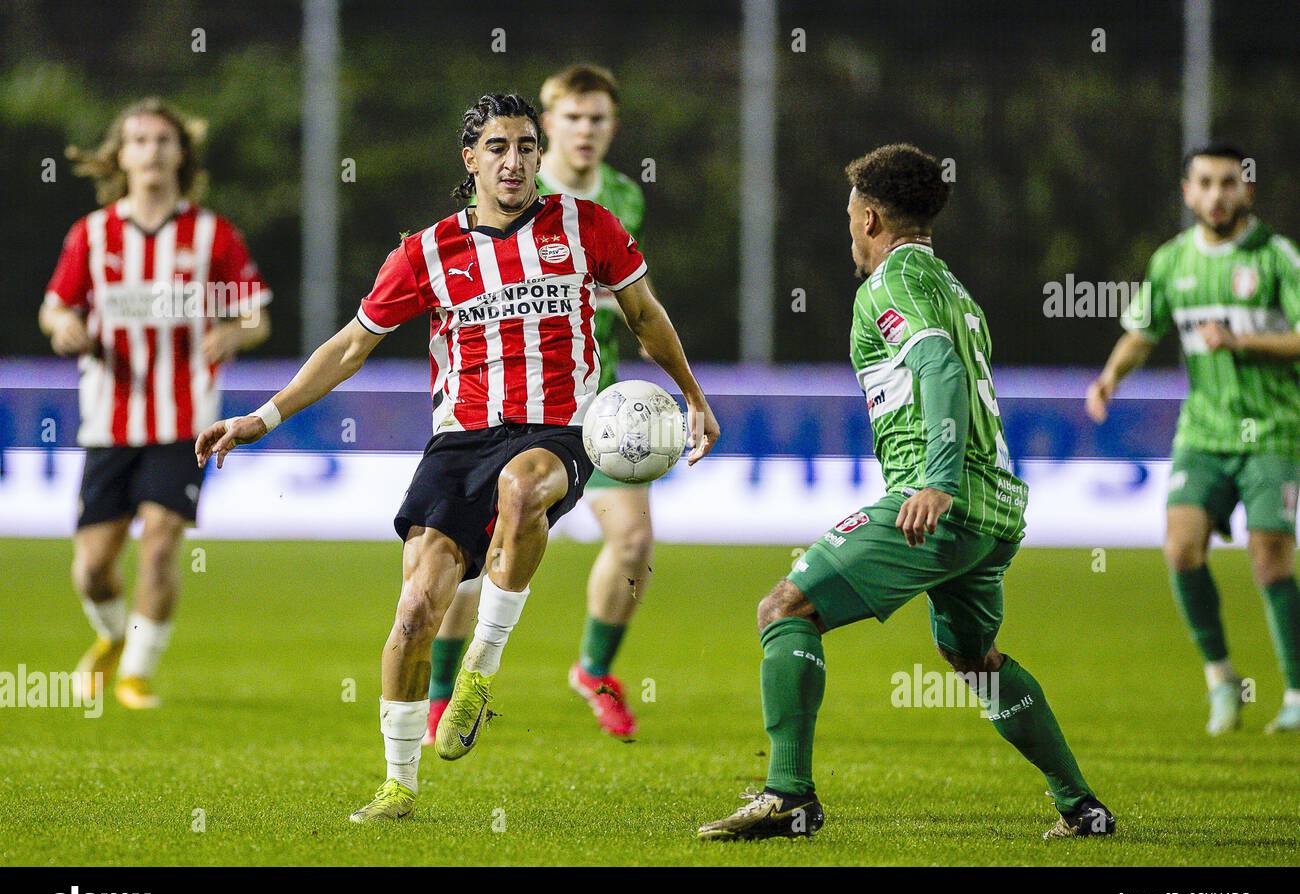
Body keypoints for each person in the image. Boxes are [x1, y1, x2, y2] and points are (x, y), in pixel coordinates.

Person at [195, 93, 719, 823]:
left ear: (541, 156)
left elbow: (644, 315)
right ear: (470, 159)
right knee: (414, 613)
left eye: (528, 147)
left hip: (558, 428)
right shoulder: (425, 252)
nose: (515, 161)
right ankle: (398, 785)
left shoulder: (587, 226)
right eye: (499, 147)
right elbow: (350, 345)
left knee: (521, 488)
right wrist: (263, 415)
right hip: (457, 441)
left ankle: (481, 667)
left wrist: (691, 393)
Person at [698, 144, 1113, 841]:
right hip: (997, 509)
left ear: (870, 217)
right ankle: (1081, 805)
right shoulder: (953, 289)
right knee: (976, 661)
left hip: (944, 499)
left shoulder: (890, 285)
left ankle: (788, 795)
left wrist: (937, 480)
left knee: (785, 609)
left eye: (851, 217)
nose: (849, 232)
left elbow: (940, 368)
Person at [425, 65, 653, 742]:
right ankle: (444, 694)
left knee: (635, 542)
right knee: (471, 560)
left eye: (598, 119)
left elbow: (623, 284)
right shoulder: (516, 185)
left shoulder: (619, 197)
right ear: (546, 125)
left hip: (597, 411)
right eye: (572, 118)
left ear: (612, 126)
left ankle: (594, 671)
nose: (585, 131)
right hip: (502, 407)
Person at [42, 97, 271, 710]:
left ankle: (136, 674)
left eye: (163, 140)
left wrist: (235, 330)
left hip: (186, 417)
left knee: (163, 539)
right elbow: (56, 306)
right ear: (121, 155)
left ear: (180, 154)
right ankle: (114, 636)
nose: (152, 150)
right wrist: (62, 325)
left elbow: (255, 314)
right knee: (92, 567)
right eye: (139, 140)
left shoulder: (212, 234)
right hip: (110, 418)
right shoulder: (92, 235)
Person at [1087, 143, 1300, 736]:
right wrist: (1110, 376)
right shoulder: (1171, 261)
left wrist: (1241, 341)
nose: (1217, 194)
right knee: (1180, 549)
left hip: (1274, 431)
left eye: (1229, 182)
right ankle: (1222, 681)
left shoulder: (1277, 257)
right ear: (1188, 193)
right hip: (1203, 431)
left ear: (1246, 191)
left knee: (1269, 556)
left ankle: (1298, 692)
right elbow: (1142, 331)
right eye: (1205, 183)